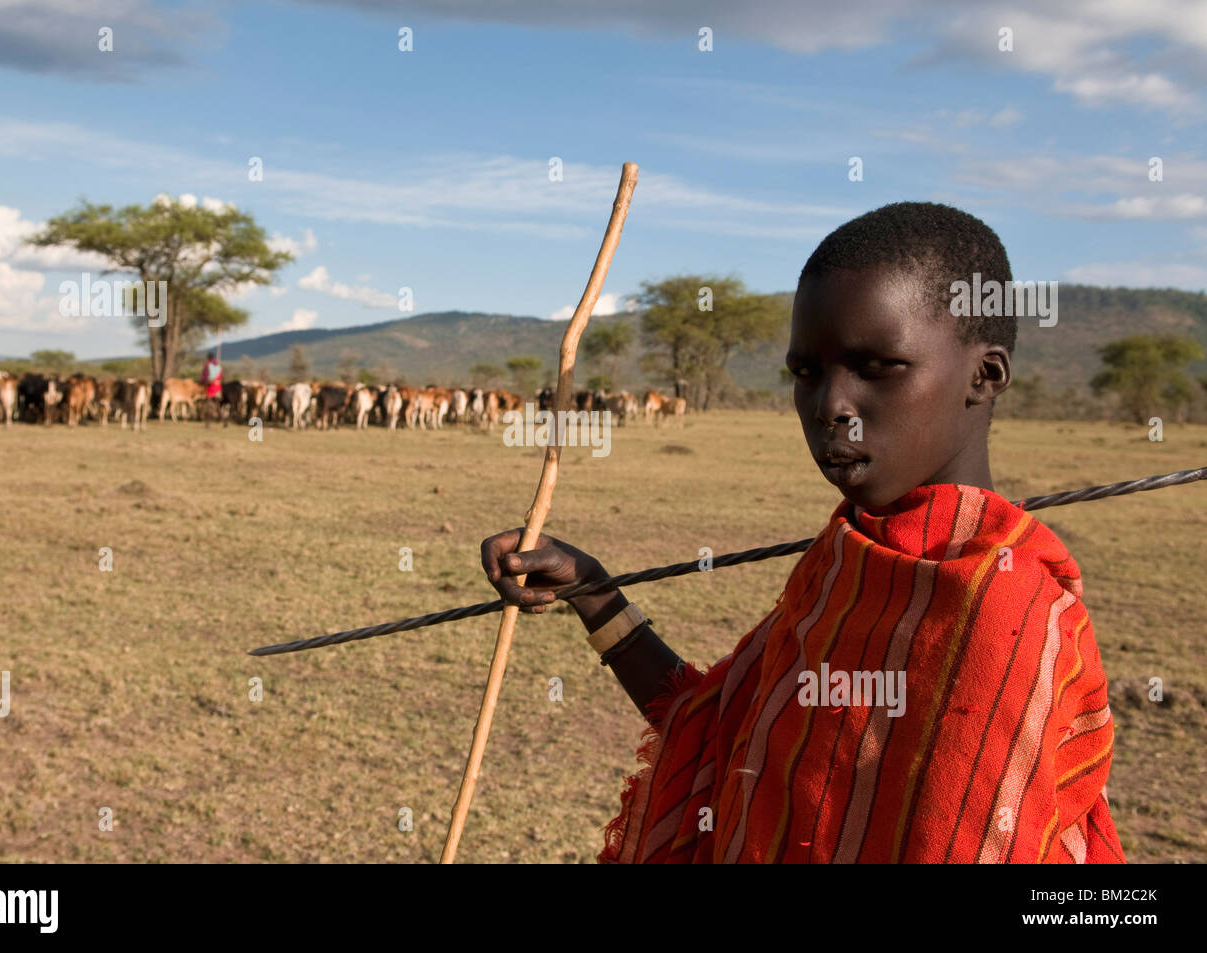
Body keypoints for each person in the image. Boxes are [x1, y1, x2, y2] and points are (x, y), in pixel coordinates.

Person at [480, 202, 1125, 864]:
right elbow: (718, 733)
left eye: (877, 365)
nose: (830, 406)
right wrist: (592, 590)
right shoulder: (848, 561)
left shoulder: (1002, 613)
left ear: (983, 376)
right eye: (807, 373)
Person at [200, 351, 222, 428]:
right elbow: (221, 376)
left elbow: (204, 376)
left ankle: (208, 423)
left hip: (210, 387)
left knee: (209, 405)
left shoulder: (207, 365)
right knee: (217, 405)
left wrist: (202, 382)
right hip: (218, 387)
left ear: (208, 358)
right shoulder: (218, 366)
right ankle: (223, 420)